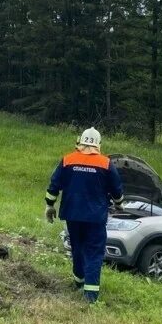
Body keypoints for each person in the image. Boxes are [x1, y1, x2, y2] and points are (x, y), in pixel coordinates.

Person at [45, 128, 124, 303]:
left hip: (72, 214)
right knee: (94, 252)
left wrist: (49, 205)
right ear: (98, 144)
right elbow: (117, 190)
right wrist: (119, 204)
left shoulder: (68, 160)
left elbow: (54, 185)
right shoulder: (105, 163)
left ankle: (78, 282)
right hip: (95, 218)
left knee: (77, 247)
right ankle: (90, 296)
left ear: (80, 141)